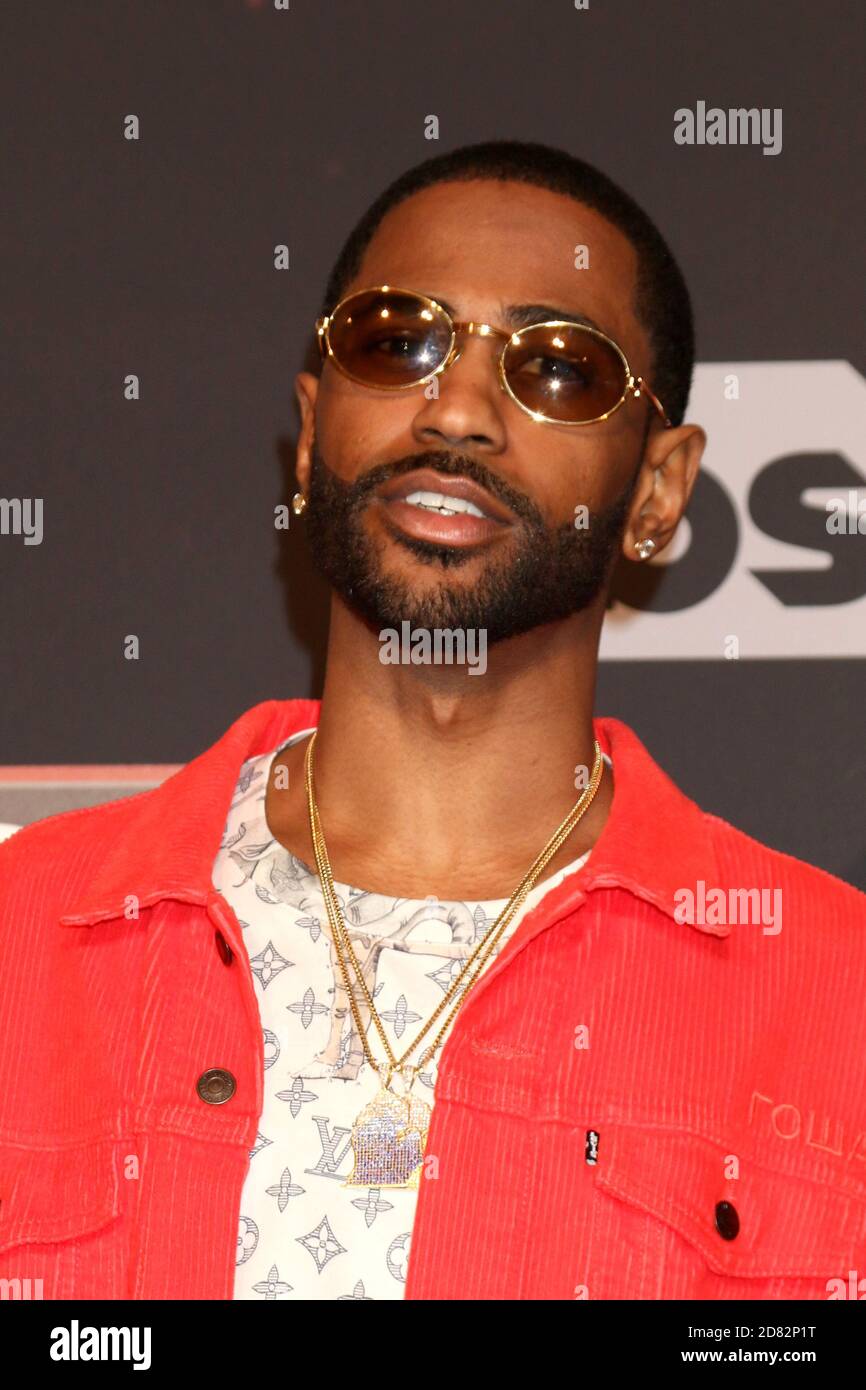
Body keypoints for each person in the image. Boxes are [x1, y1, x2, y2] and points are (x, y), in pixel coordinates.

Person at [2, 140, 864, 1303]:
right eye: (395, 340)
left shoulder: (832, 996)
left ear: (656, 491)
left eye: (558, 368)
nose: (455, 408)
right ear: (311, 431)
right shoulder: (25, 937)